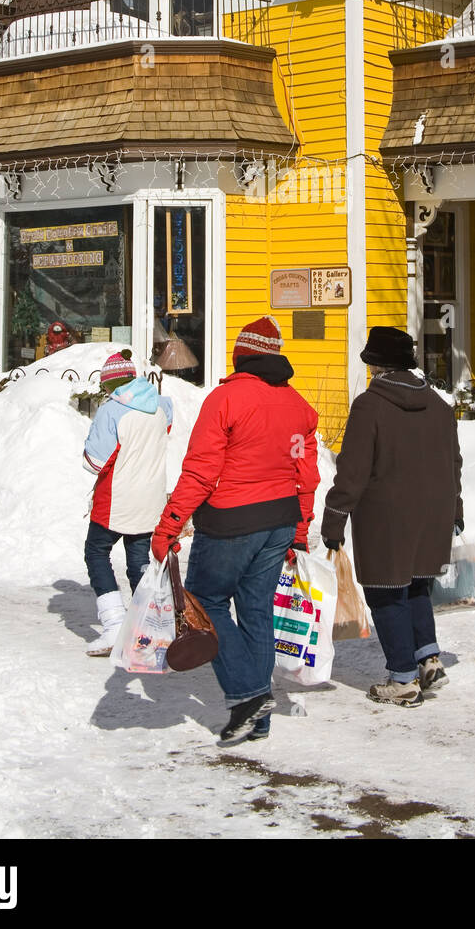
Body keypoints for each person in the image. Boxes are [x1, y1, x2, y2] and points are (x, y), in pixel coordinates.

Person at [151, 316, 319, 747]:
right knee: (257, 612)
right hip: (279, 521)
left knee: (206, 601)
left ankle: (248, 697)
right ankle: (257, 718)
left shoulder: (225, 399)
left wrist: (169, 525)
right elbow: (307, 473)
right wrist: (299, 527)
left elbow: (201, 472)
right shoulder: (298, 406)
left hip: (231, 521)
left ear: (241, 356)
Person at [320, 326, 463, 707]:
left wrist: (333, 520)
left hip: (387, 517)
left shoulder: (370, 405)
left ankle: (402, 678)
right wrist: (456, 512)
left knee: (386, 593)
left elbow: (352, 471)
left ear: (377, 367)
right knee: (417, 587)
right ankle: (428, 660)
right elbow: (454, 464)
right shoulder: (439, 405)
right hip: (435, 513)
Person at [82, 347, 173, 656]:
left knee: (96, 552)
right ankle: (148, 627)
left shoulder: (112, 411)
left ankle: (113, 625)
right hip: (151, 501)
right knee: (139, 562)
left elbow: (95, 461)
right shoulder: (162, 406)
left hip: (116, 500)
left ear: (111, 385)